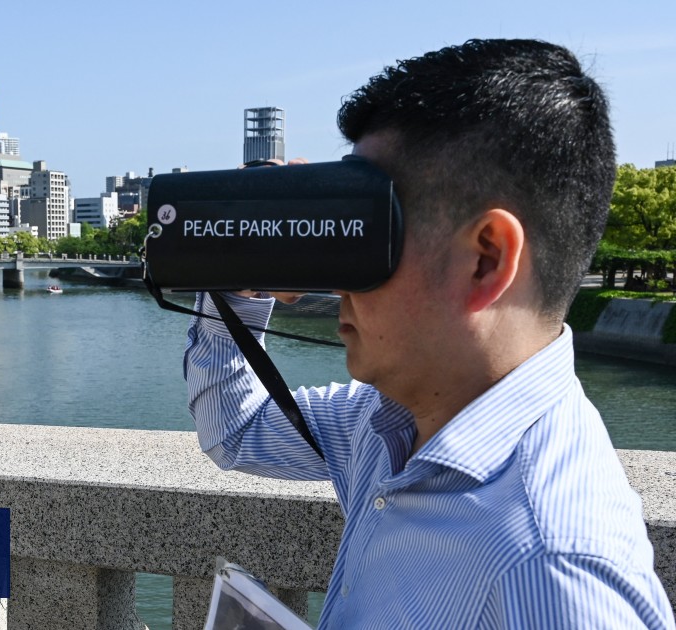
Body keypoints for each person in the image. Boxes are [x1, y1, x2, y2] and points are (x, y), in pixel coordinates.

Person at [183, 39, 674, 628]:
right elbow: (239, 430)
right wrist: (248, 275)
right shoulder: (392, 420)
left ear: (486, 259)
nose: (338, 276)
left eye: (365, 233)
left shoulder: (554, 573)